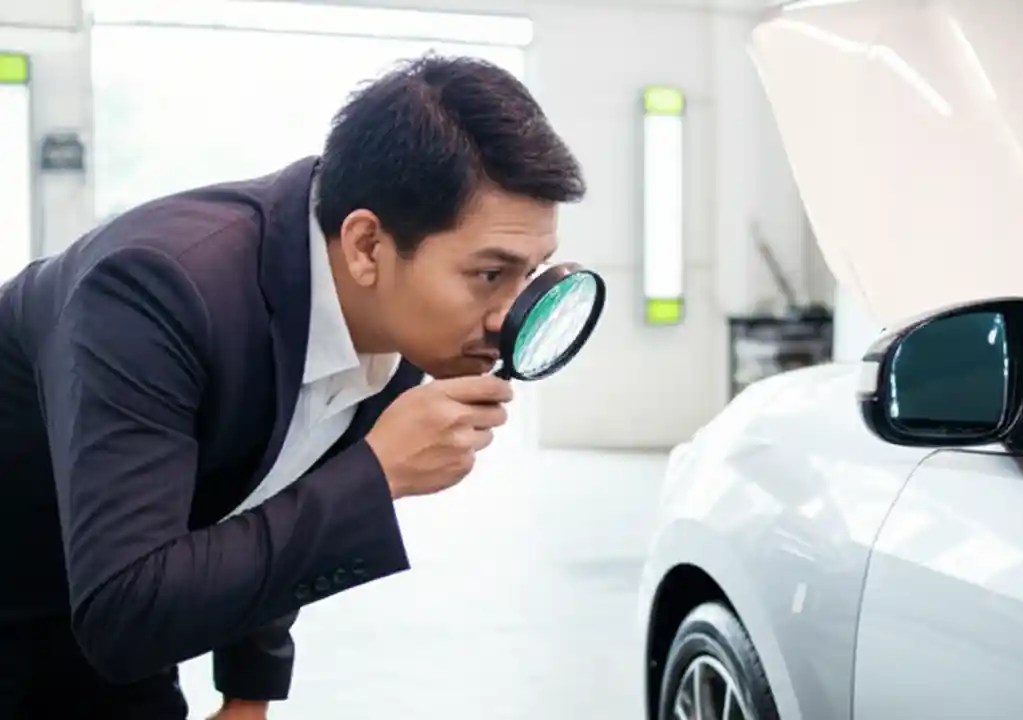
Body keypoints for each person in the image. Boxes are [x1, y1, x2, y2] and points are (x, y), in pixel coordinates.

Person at [0, 54, 585, 718]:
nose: (510, 317)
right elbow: (124, 613)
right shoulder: (155, 292)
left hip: (124, 590)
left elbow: (274, 481)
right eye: (489, 275)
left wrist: (248, 695)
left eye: (533, 271)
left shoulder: (402, 318)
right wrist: (375, 474)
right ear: (367, 244)